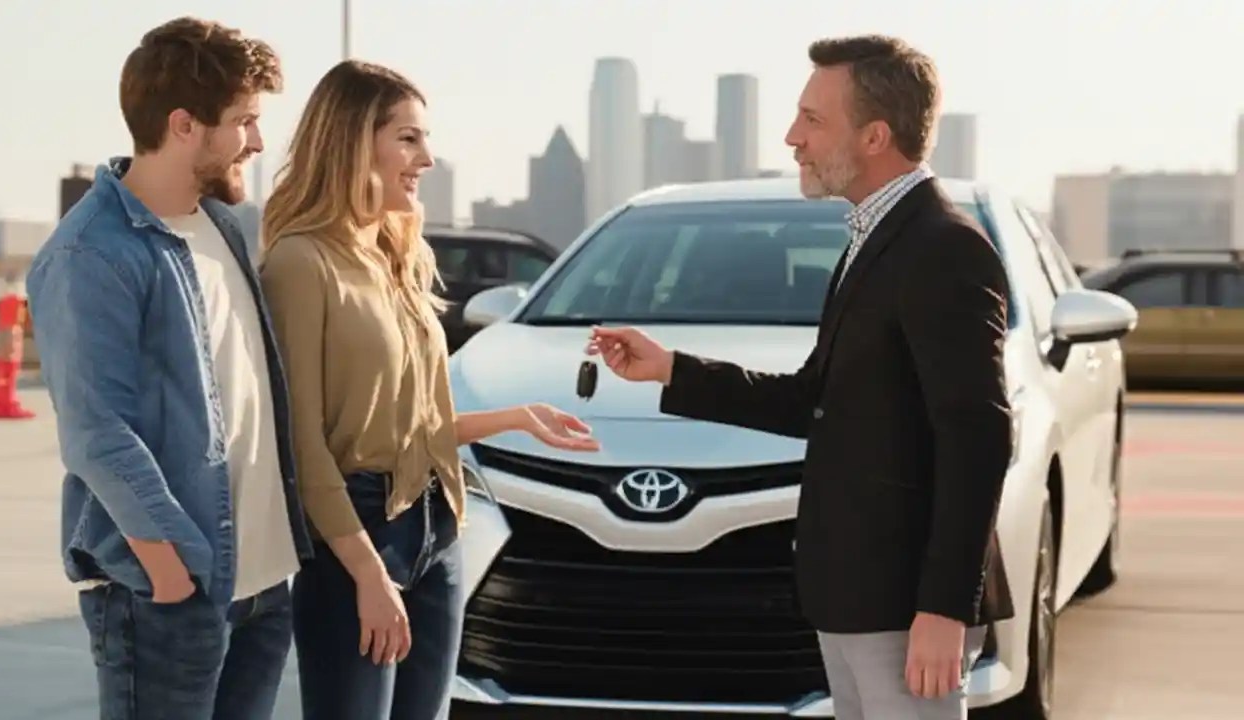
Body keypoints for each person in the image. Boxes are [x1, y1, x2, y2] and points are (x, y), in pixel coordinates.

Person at [588, 34, 1014, 720]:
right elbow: (816, 401)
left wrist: (943, 606)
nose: (792, 138)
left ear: (875, 135)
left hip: (906, 604)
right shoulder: (871, 239)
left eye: (813, 119)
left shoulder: (942, 247)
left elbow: (979, 438)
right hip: (853, 593)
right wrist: (670, 370)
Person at [258, 59, 600, 720]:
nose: (428, 158)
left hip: (434, 527)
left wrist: (514, 419)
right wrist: (365, 571)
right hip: (356, 538)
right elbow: (302, 445)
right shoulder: (301, 262)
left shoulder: (397, 253)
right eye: (408, 138)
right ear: (356, 142)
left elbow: (410, 425)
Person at [24, 16, 312, 720]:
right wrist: (170, 568)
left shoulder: (221, 227)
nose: (258, 141)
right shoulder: (90, 254)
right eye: (243, 122)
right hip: (173, 596)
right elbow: (98, 432)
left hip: (262, 585)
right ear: (185, 125)